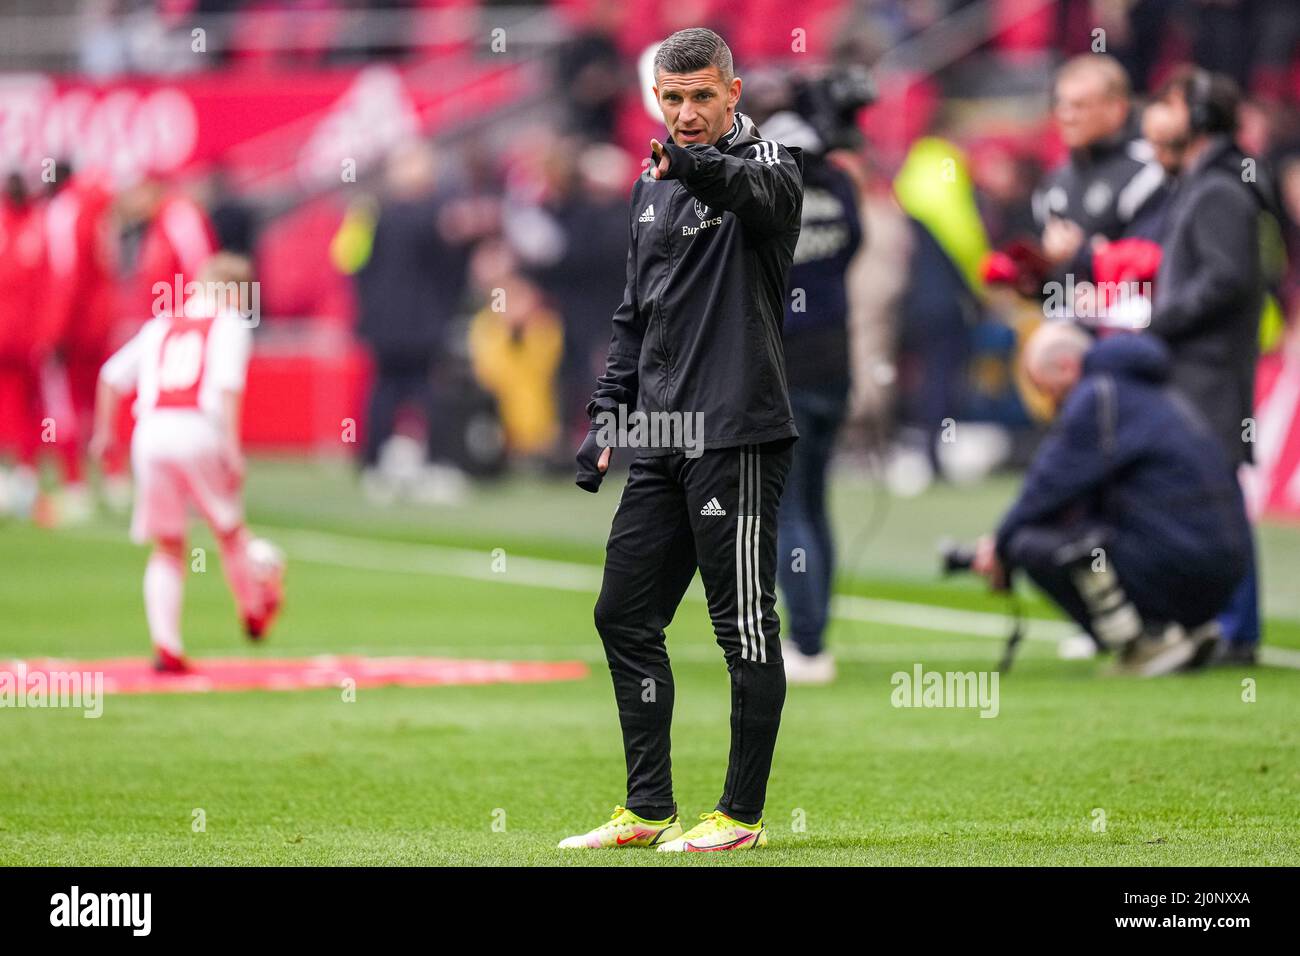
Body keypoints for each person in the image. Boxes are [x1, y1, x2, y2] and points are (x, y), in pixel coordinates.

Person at [560, 28, 803, 853]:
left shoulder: (773, 164)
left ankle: (740, 817)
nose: (687, 111)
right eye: (673, 98)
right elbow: (635, 315)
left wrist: (689, 164)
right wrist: (607, 416)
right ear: (656, 98)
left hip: (737, 431)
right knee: (623, 615)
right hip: (664, 433)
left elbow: (752, 196)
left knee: (743, 629)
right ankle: (648, 807)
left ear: (734, 91)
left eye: (702, 95)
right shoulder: (651, 187)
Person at [972, 324, 1250, 676]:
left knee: (1030, 542)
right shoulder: (1158, 391)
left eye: (1048, 390)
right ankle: (1185, 629)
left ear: (1066, 367)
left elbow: (1047, 486)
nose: (1051, 404)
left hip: (1180, 566)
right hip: (1225, 572)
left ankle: (1147, 640)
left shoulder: (1098, 396)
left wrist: (1000, 544)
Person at [90, 253, 284, 673]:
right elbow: (228, 386)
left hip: (151, 435)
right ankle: (254, 606)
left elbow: (110, 375)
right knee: (229, 532)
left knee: (168, 544)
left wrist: (104, 434)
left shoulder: (161, 323)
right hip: (198, 430)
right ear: (236, 292)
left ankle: (167, 645)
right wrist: (232, 448)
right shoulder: (230, 323)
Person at [1147, 68, 1272, 665]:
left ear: (1198, 117)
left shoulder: (1219, 189)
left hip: (1210, 370)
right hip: (1200, 367)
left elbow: (1226, 279)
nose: (1156, 115)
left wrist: (1160, 320)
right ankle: (1222, 624)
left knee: (1218, 500)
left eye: (1170, 104)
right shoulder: (1204, 182)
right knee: (1207, 499)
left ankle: (1237, 630)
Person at [759, 108, 862, 684]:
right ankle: (816, 633)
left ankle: (808, 641)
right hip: (836, 363)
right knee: (816, 503)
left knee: (787, 507)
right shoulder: (840, 187)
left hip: (786, 367)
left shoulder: (769, 195)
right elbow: (855, 246)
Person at [1033, 54, 1167, 282]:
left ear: (1117, 109)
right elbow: (1056, 282)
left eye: (1079, 106)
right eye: (1060, 104)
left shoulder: (1152, 172)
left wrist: (1084, 253)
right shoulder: (1054, 181)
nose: (1066, 116)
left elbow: (1153, 264)